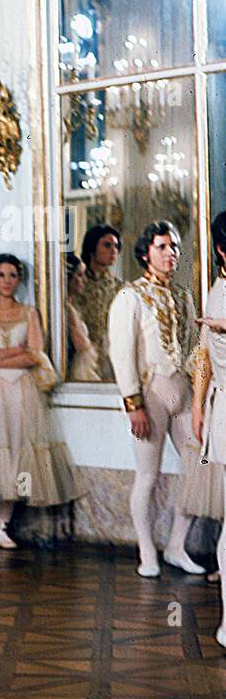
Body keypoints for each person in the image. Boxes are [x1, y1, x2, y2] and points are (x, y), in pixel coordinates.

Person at [0, 254, 81, 547]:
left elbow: (35, 353)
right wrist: (8, 354)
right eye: (2, 275)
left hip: (22, 390)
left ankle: (2, 524)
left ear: (19, 280)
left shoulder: (30, 312)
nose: (7, 281)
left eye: (13, 276)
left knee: (19, 454)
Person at [108, 221, 204, 579]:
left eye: (174, 247)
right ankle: (147, 552)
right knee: (147, 476)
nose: (170, 254)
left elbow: (195, 348)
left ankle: (176, 545)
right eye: (162, 247)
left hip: (183, 389)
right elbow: (122, 356)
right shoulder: (129, 297)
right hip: (150, 394)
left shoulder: (183, 295)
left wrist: (200, 396)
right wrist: (133, 405)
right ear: (146, 253)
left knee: (200, 469)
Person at [192, 211, 226, 646]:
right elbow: (204, 357)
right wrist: (199, 408)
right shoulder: (220, 296)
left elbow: (201, 357)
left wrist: (200, 407)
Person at [75, 223, 123, 383]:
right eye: (107, 245)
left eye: (116, 246)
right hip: (83, 353)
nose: (113, 250)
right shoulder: (78, 283)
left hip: (112, 354)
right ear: (92, 247)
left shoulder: (120, 287)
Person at [65, 252, 102, 383]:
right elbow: (82, 347)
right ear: (68, 278)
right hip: (78, 372)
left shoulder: (71, 307)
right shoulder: (68, 310)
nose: (85, 280)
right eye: (80, 275)